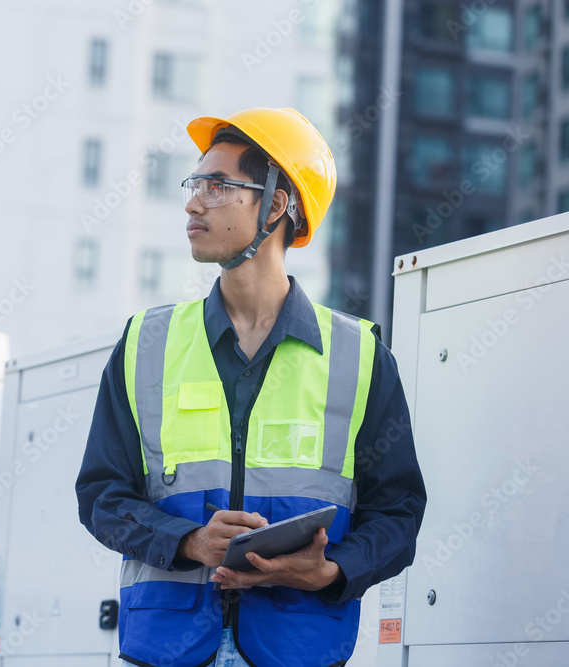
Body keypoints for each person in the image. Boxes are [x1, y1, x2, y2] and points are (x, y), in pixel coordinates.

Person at [75, 108, 426, 667]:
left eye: (218, 186)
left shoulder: (360, 357)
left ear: (277, 206)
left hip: (298, 646)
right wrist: (189, 541)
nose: (193, 202)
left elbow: (398, 513)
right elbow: (101, 495)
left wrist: (333, 570)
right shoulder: (146, 343)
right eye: (195, 185)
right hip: (165, 649)